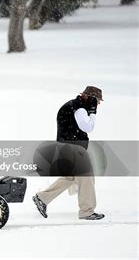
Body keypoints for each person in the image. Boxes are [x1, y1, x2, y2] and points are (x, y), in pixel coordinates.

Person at [33, 86, 105, 220]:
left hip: (66, 146)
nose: (99, 103)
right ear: (91, 98)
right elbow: (88, 127)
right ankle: (87, 211)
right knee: (86, 178)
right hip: (74, 146)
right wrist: (93, 112)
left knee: (71, 177)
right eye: (97, 100)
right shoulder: (80, 108)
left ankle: (42, 198)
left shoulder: (74, 105)